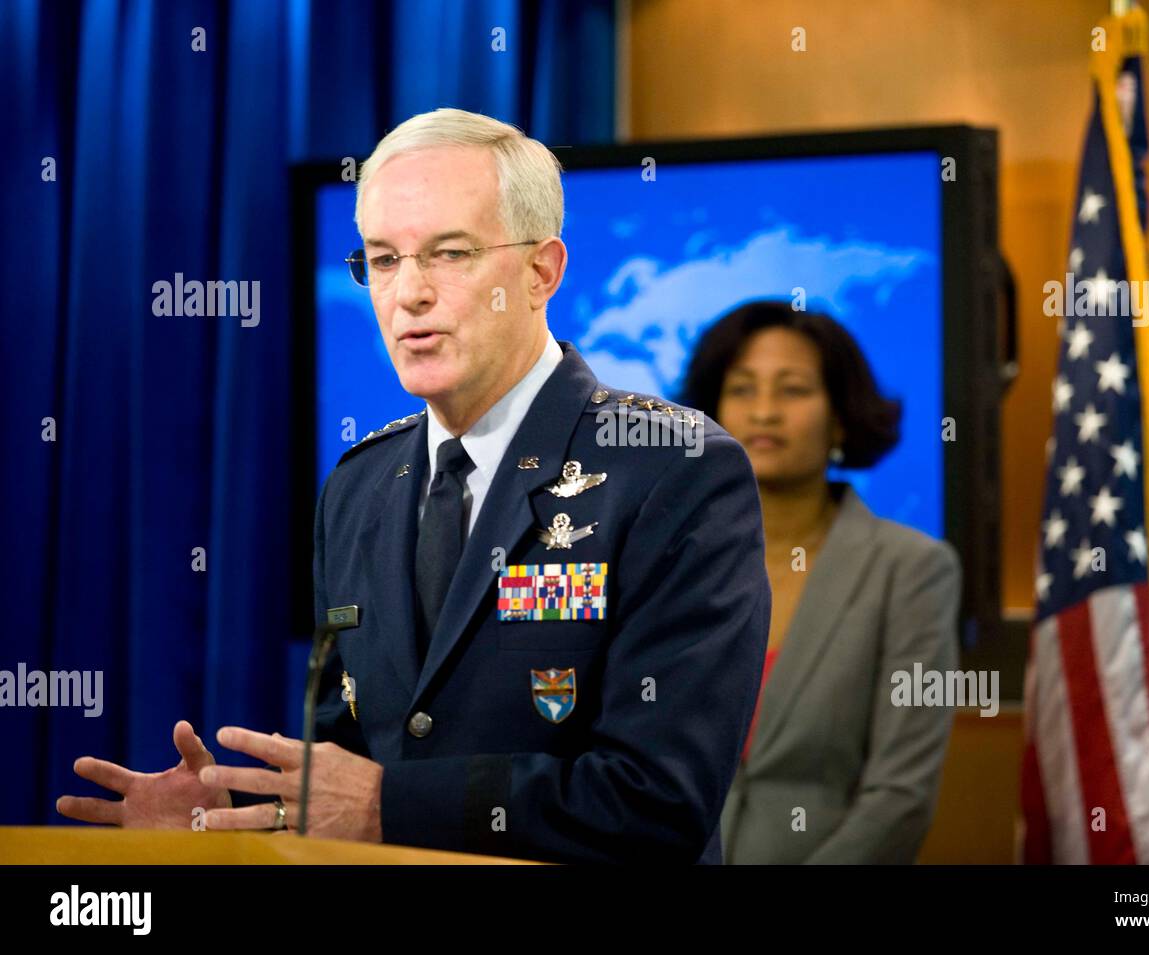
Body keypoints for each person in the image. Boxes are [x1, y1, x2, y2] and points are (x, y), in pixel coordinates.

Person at [56, 108, 770, 864]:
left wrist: (383, 805)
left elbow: (658, 801)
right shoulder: (358, 486)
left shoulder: (674, 466)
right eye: (384, 259)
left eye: (450, 254)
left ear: (541, 271)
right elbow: (352, 757)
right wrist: (245, 811)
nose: (410, 294)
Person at [680, 300, 960, 864]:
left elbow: (900, 796)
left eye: (793, 390)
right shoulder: (666, 562)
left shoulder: (910, 569)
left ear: (840, 417)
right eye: (741, 389)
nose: (764, 412)